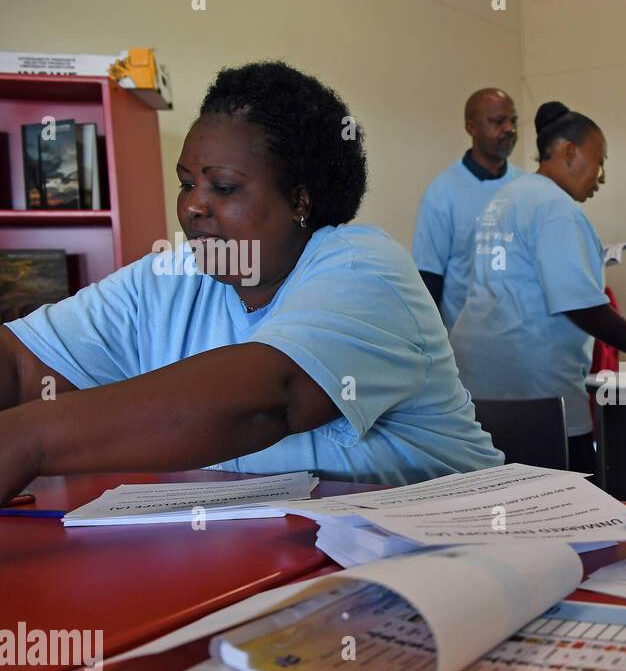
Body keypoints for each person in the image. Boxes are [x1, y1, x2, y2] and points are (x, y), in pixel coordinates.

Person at [0, 60, 502, 501]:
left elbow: (270, 399)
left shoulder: (362, 267)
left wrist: (28, 439)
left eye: (223, 187)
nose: (193, 205)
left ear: (300, 202)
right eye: (186, 183)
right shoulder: (170, 277)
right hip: (278, 575)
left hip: (460, 564)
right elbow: (24, 368)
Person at [450, 102, 626, 473]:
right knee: (566, 497)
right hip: (534, 387)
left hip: (477, 382)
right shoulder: (556, 208)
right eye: (599, 160)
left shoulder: (505, 197)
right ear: (570, 152)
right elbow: (581, 305)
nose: (601, 177)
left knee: (496, 496)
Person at [412, 88, 520, 325]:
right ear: (471, 128)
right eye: (498, 121)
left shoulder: (524, 187)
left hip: (519, 334)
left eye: (513, 121)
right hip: (464, 338)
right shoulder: (443, 192)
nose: (509, 129)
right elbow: (429, 275)